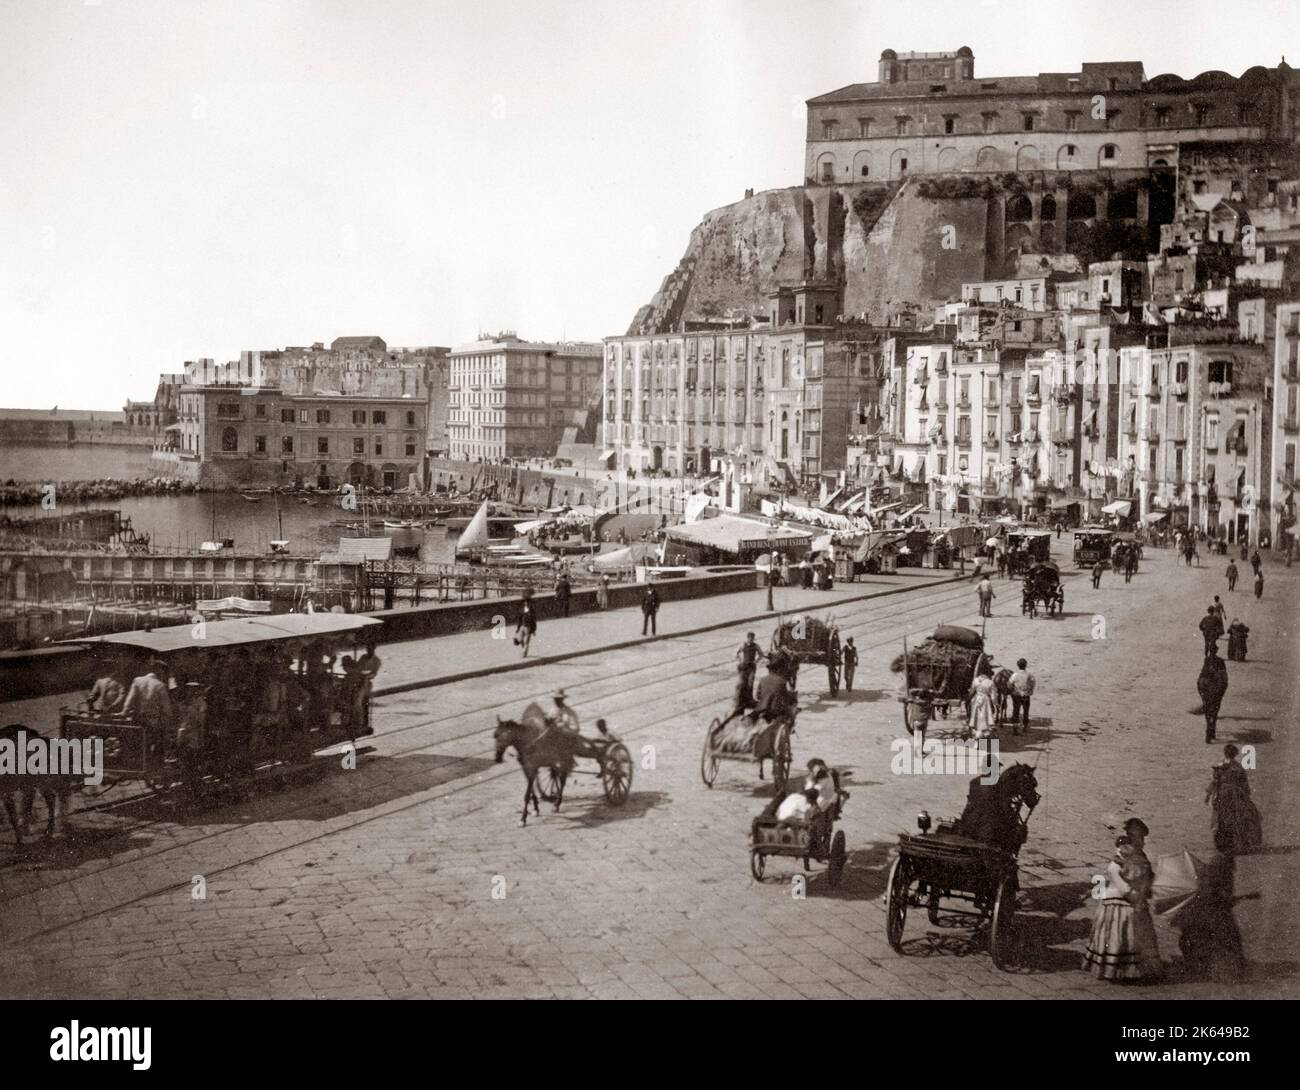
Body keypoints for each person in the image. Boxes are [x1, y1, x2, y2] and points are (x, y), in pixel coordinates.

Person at [1082, 818, 1162, 982]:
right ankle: (1116, 967)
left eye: (1142, 838)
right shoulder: (1120, 859)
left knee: (1137, 934)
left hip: (1137, 901)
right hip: (1121, 901)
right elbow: (1116, 879)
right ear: (1129, 837)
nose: (1140, 842)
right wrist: (1133, 895)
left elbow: (1145, 877)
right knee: (1121, 933)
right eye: (1135, 837)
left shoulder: (1141, 858)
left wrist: (1146, 889)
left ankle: (1137, 966)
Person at [1206, 745, 1263, 855]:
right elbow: (1245, 785)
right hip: (1236, 797)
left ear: (1225, 753)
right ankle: (1238, 844)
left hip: (1222, 796)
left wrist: (1208, 794)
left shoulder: (1219, 766)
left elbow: (1215, 781)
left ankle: (1223, 845)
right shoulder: (1238, 767)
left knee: (1221, 820)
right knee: (1240, 819)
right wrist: (1246, 796)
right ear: (1235, 754)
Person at [122, 659, 176, 738]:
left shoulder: (137, 680)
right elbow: (167, 708)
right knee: (149, 743)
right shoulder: (160, 685)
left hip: (138, 719)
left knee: (137, 742)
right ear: (160, 671)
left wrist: (124, 712)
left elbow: (129, 700)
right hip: (153, 722)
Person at [1197, 648, 1229, 743]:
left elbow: (1203, 672)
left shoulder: (1206, 660)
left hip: (1206, 686)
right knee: (1216, 706)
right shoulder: (1221, 660)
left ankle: (1202, 697)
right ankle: (1213, 728)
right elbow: (1224, 674)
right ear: (1216, 651)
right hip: (1218, 687)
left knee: (1199, 682)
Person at [967, 662, 997, 741]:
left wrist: (969, 699)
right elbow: (993, 696)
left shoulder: (976, 680)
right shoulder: (990, 682)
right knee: (985, 718)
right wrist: (995, 704)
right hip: (986, 701)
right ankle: (983, 736)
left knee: (976, 718)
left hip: (977, 700)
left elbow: (972, 691)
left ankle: (977, 736)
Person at [1008, 658, 1035, 736]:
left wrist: (1013, 689)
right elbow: (1033, 683)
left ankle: (1015, 729)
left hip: (1016, 695)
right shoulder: (1029, 675)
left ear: (1018, 665)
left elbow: (1009, 685)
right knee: (1026, 711)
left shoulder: (1015, 675)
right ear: (1026, 665)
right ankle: (1025, 727)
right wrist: (1029, 691)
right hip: (1026, 695)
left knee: (1016, 711)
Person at [515, 592, 538, 658]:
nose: (526, 603)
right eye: (525, 602)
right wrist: (518, 628)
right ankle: (523, 650)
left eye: (527, 602)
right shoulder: (522, 610)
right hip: (522, 626)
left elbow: (534, 620)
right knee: (521, 639)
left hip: (528, 627)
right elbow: (519, 619)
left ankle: (524, 653)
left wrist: (533, 629)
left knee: (527, 641)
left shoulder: (531, 610)